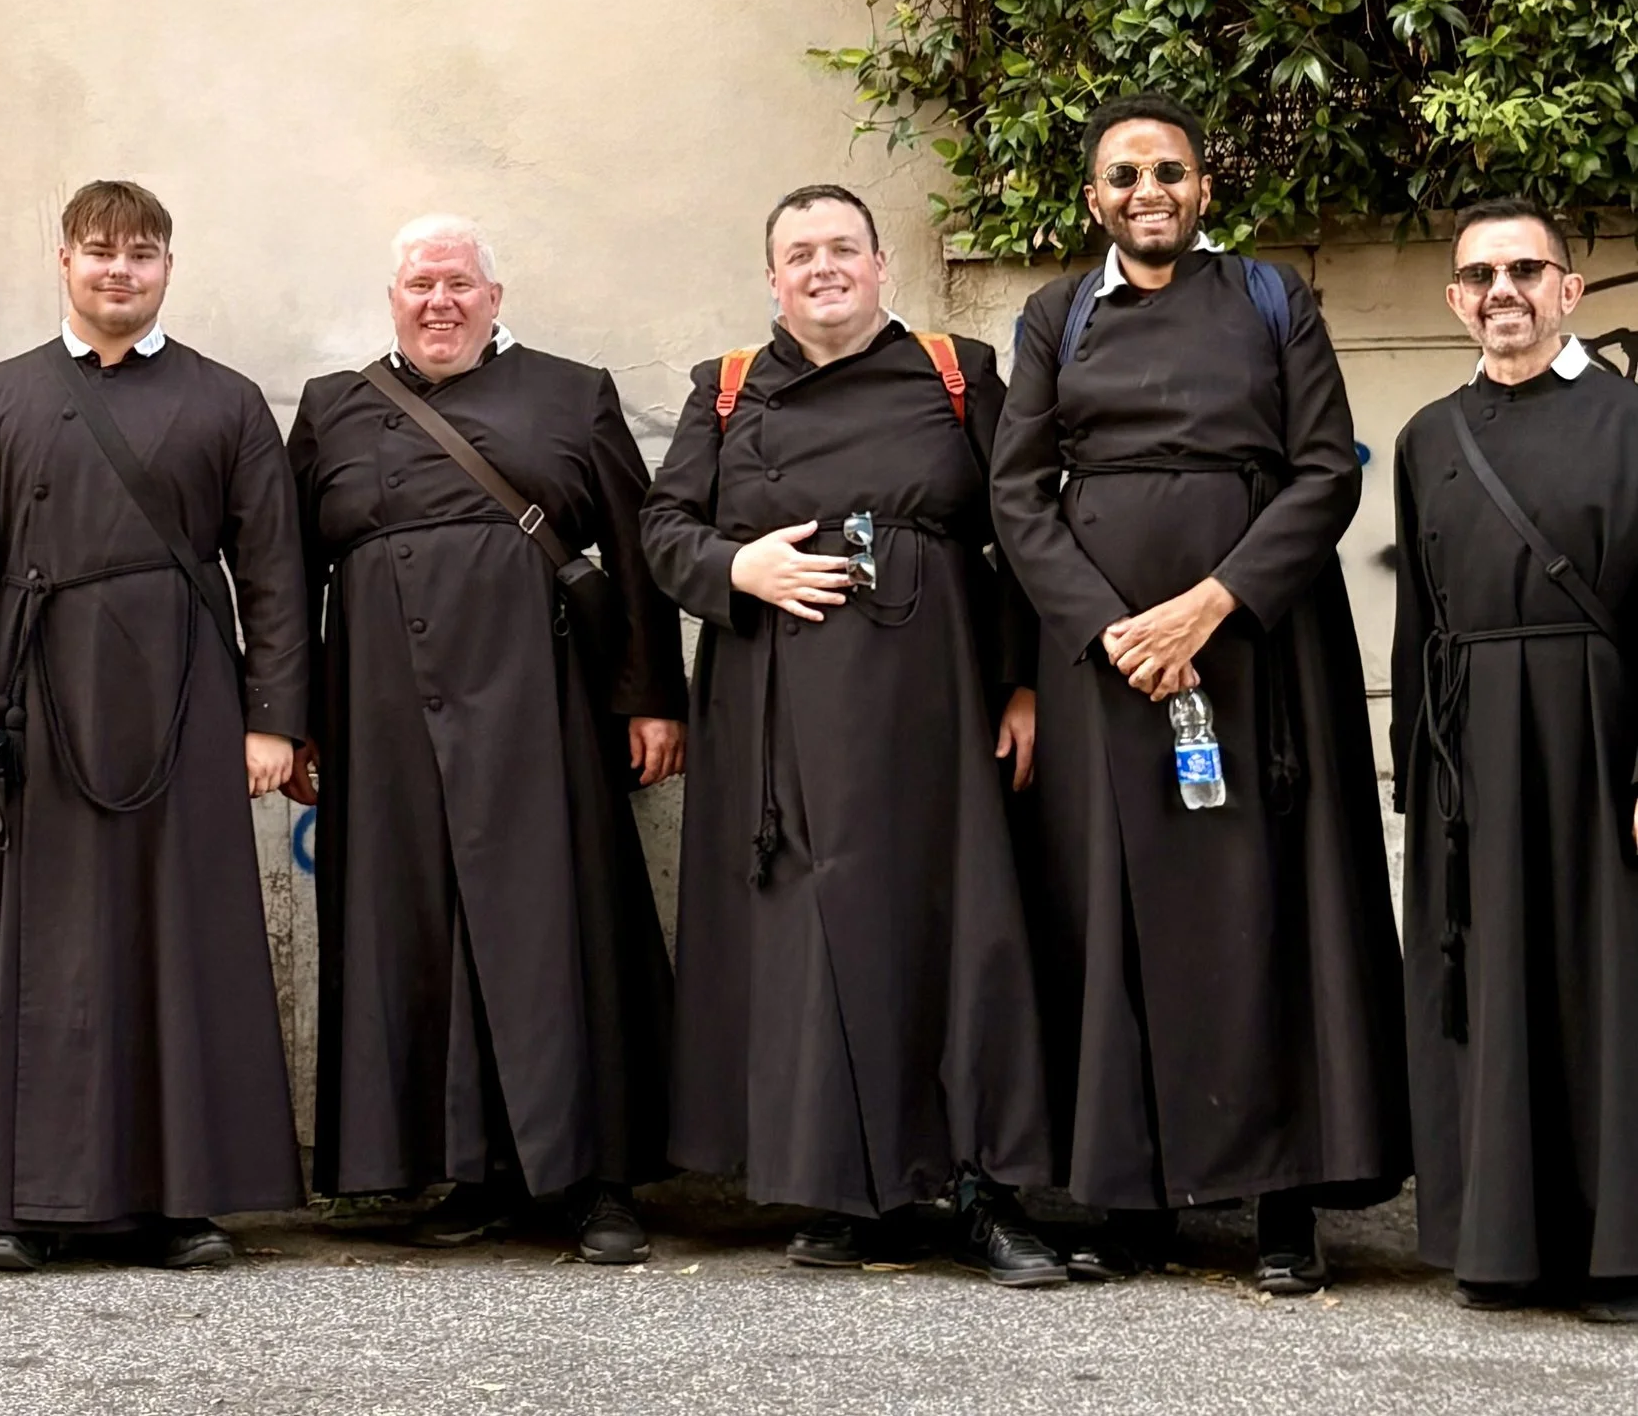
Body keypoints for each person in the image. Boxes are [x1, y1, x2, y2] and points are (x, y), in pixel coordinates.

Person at [991, 93, 1408, 1294]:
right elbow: (1016, 492)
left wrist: (1211, 604)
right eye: (1123, 175)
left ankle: (1285, 1201)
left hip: (1260, 645)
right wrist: (1109, 627)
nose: (1148, 190)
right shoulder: (1053, 315)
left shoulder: (1276, 301)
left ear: (1203, 190)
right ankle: (1132, 1198)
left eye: (1169, 170)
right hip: (1108, 663)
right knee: (1113, 912)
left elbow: (1325, 470)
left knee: (1277, 906)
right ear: (1093, 199)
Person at [642, 186, 1060, 1283]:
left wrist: (1023, 686)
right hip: (775, 711)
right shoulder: (725, 391)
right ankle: (836, 1189)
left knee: (963, 927)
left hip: (938, 701)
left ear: (880, 264)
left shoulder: (954, 370)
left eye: (842, 247)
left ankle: (985, 1185)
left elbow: (1019, 529)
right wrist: (738, 566)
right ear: (771, 278)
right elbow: (662, 528)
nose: (821, 266)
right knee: (806, 943)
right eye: (797, 252)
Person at [0, 180, 309, 1272]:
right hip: (32, 702)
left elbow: (272, 572)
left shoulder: (228, 401)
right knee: (38, 947)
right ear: (64, 260)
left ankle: (186, 1199)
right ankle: (21, 1200)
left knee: (181, 941)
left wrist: (273, 720)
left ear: (167, 266)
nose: (119, 270)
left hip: (187, 699)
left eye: (140, 252)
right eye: (99, 250)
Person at [287, 215, 686, 1266]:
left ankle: (598, 1174)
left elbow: (638, 548)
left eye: (460, 283)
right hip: (381, 713)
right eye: (420, 283)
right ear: (392, 298)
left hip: (538, 704)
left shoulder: (571, 389)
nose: (440, 302)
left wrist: (654, 698)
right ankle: (467, 1164)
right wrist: (289, 720)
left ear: (494, 298)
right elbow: (285, 575)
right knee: (416, 924)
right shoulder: (331, 407)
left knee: (564, 920)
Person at [1391, 198, 1638, 1323]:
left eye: (1525, 269)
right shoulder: (1427, 437)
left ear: (1567, 289)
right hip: (1469, 746)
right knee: (1485, 987)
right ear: (1454, 299)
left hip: (1599, 731)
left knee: (1603, 984)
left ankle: (1615, 1252)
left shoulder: (1629, 419)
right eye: (1480, 274)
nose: (1502, 289)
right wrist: (1416, 768)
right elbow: (1417, 624)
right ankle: (1496, 1241)